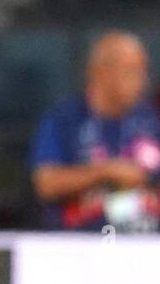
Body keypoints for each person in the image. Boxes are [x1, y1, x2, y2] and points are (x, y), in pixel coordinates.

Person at [30, 32, 160, 232]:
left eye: (144, 71)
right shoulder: (65, 119)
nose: (142, 80)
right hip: (77, 246)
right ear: (101, 72)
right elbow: (46, 185)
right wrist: (105, 171)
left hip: (144, 244)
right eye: (131, 70)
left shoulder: (151, 121)